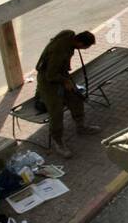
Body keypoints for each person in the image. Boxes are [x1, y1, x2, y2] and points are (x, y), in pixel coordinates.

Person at [35, 29, 102, 158]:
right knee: (56, 111)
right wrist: (65, 81)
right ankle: (58, 140)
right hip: (48, 81)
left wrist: (67, 82)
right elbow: (50, 75)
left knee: (76, 98)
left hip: (61, 75)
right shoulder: (59, 52)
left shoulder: (69, 36)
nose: (84, 50)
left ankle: (81, 127)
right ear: (80, 43)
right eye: (85, 47)